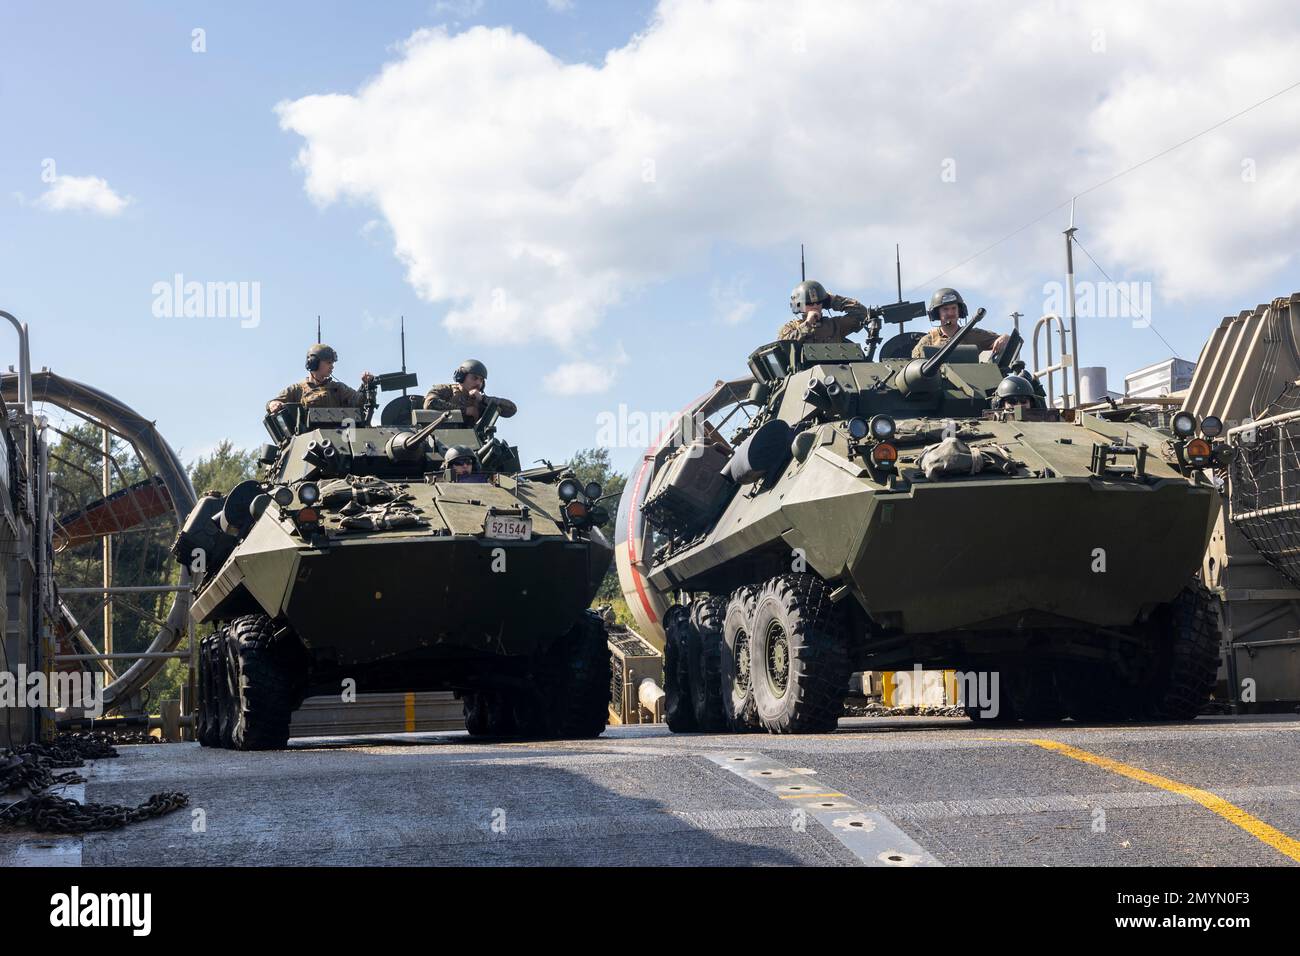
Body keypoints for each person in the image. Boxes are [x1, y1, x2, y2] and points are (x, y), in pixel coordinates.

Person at [266, 344, 374, 414]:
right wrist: (273, 404)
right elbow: (273, 402)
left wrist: (367, 385)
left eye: (332, 363)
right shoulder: (297, 389)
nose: (332, 366)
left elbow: (359, 401)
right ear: (314, 363)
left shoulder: (338, 388)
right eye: (328, 363)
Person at [911, 288, 1009, 359]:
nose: (950, 313)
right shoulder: (928, 341)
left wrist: (1005, 338)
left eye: (954, 308)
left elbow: (1006, 341)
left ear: (960, 311)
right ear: (937, 314)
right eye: (945, 309)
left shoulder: (973, 335)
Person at [423, 359, 517, 425]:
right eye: (474, 378)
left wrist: (484, 399)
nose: (478, 383)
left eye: (481, 380)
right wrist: (465, 411)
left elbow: (511, 410)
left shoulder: (480, 400)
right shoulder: (446, 390)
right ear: (461, 377)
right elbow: (430, 403)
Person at [778, 280, 871, 343]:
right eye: (809, 304)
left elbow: (862, 314)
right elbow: (785, 344)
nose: (815, 306)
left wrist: (833, 300)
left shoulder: (834, 325)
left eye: (819, 302)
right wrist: (807, 324)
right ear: (800, 306)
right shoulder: (790, 328)